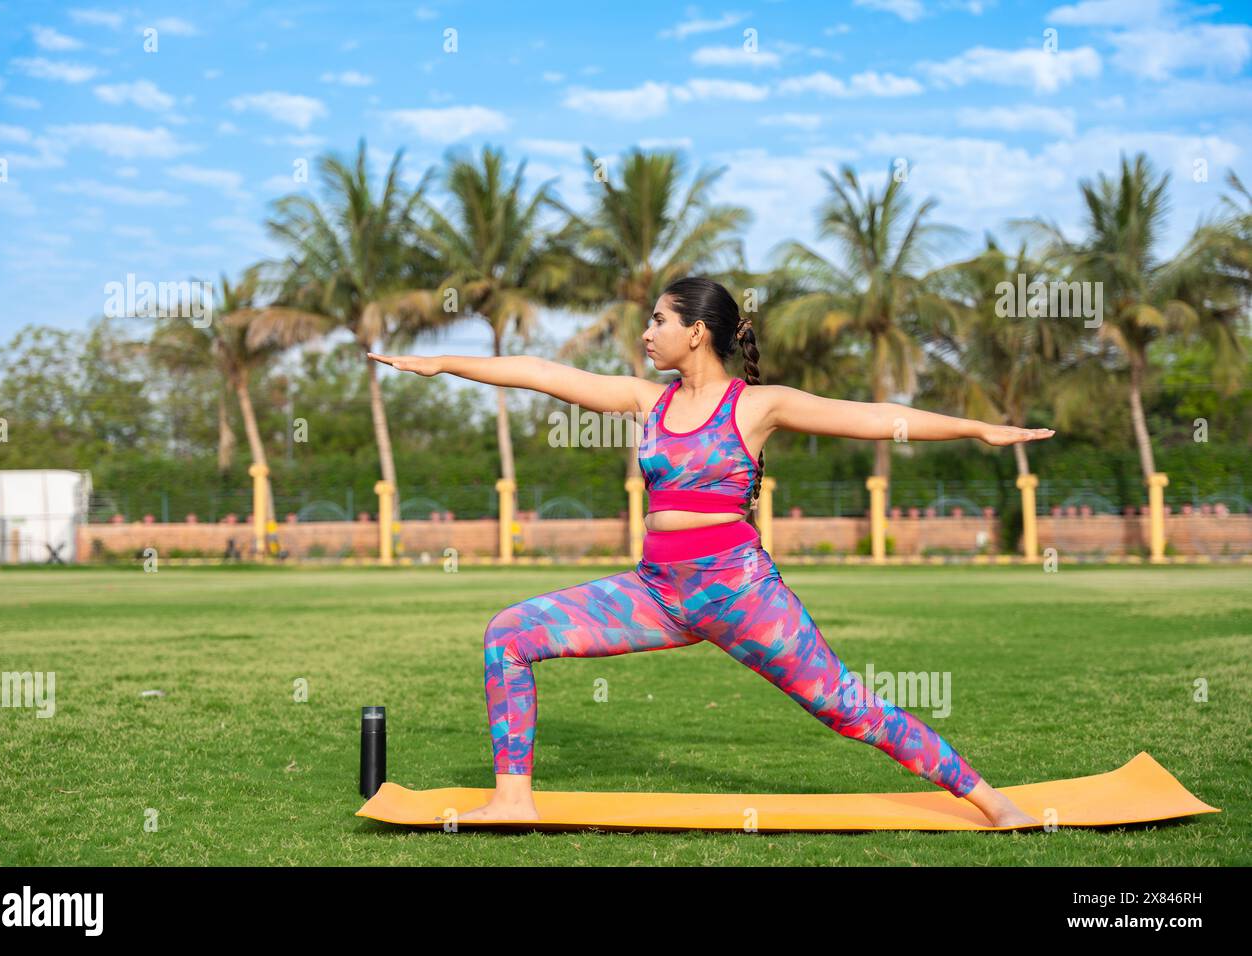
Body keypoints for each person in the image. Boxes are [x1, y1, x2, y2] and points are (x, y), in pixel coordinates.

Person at [369, 276, 1052, 828]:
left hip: (742, 596)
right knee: (509, 634)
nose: (646, 333)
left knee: (850, 708)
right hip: (656, 593)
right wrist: (443, 363)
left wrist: (978, 429)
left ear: (695, 331)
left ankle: (993, 802)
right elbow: (541, 372)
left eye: (658, 321)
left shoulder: (755, 406)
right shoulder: (646, 401)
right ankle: (514, 798)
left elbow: (877, 418)